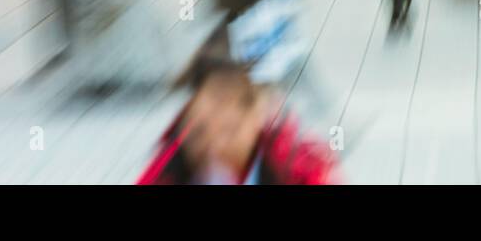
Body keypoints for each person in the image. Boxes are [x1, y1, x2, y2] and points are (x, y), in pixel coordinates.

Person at [138, 59, 336, 185]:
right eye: (201, 130)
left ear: (257, 117)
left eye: (229, 130)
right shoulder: (169, 171)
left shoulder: (299, 172)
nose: (215, 145)